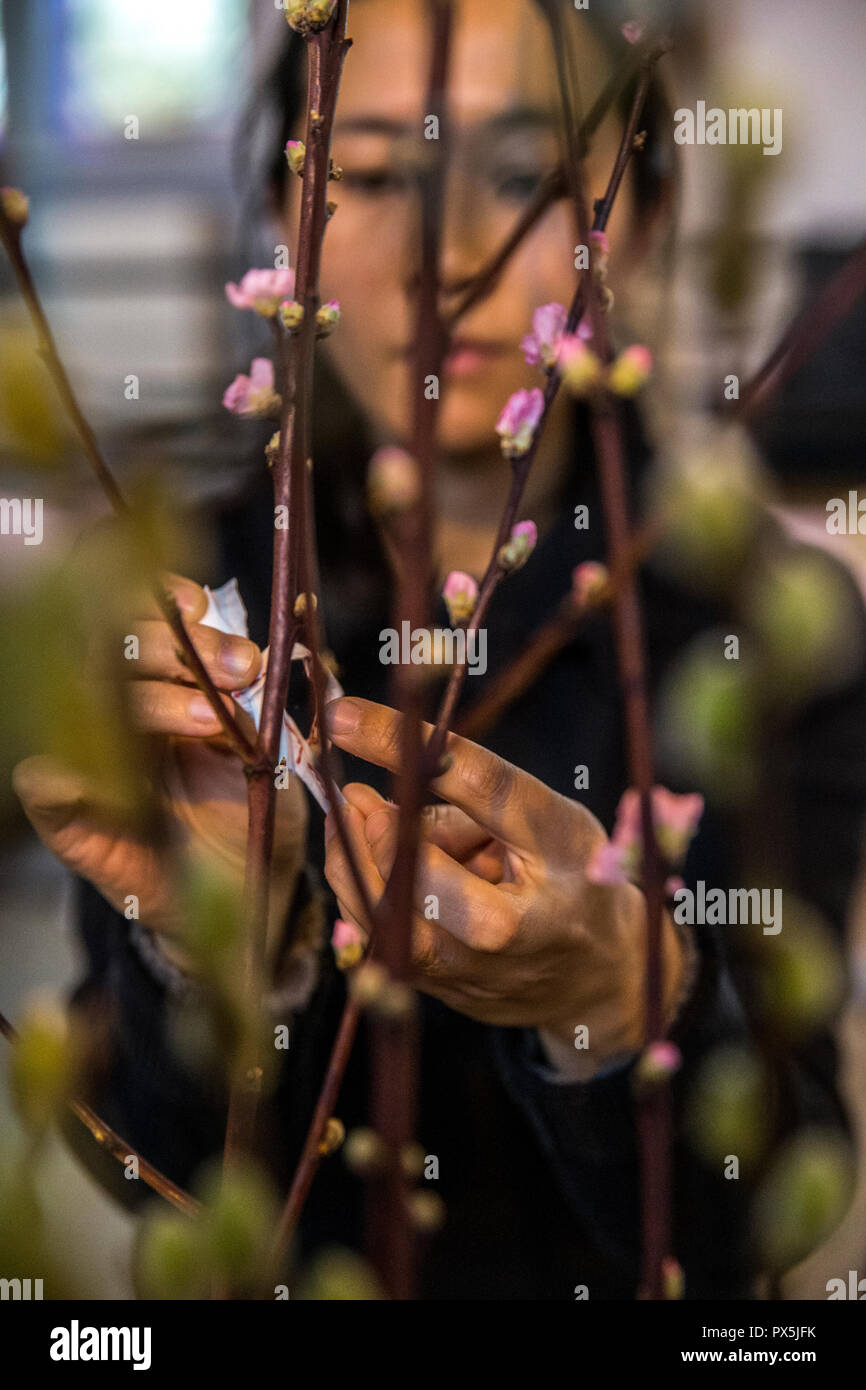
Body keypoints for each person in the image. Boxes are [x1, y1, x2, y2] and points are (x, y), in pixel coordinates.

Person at [13, 0, 866, 1299]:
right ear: (285, 224)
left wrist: (623, 999)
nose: (444, 255)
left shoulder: (759, 631)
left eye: (522, 177)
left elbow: (758, 1200)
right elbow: (143, 1167)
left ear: (634, 216)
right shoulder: (184, 602)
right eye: (364, 175)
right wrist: (219, 954)